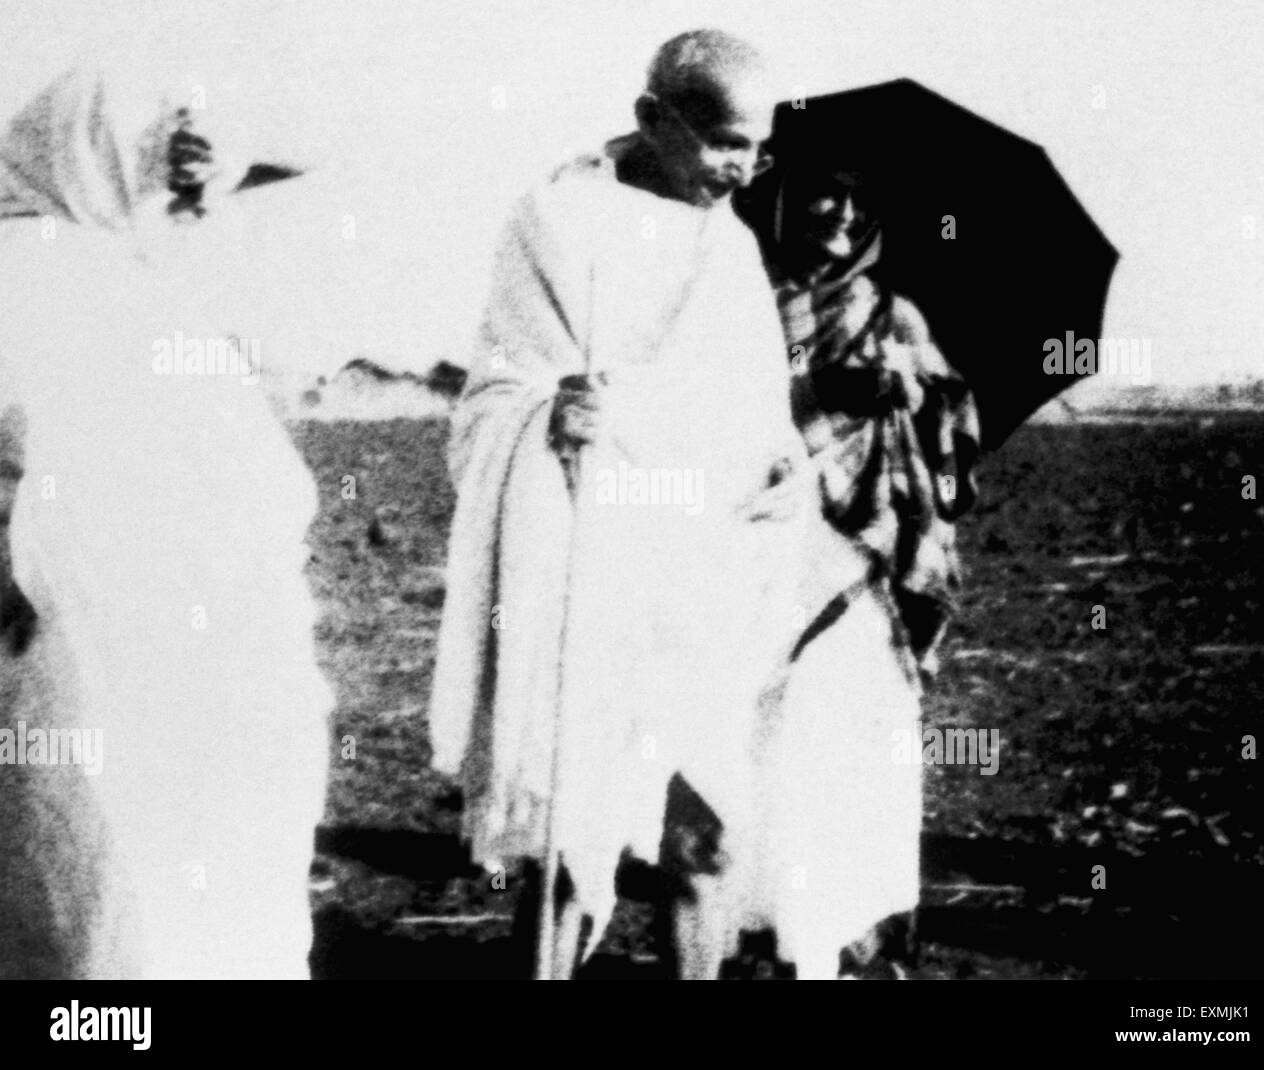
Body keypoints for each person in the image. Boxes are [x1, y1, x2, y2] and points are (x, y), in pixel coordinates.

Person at [428, 29, 817, 979]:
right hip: (586, 568)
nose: (743, 168)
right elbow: (488, 404)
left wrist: (785, 471)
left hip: (702, 585)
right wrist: (549, 414)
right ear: (653, 118)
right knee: (569, 847)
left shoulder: (730, 250)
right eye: (725, 141)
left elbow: (757, 418)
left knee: (704, 839)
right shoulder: (556, 222)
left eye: (757, 148)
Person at [0, 67, 333, 979]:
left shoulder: (127, 282)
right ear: (101, 163)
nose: (193, 207)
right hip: (73, 667)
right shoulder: (29, 275)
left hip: (178, 678)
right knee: (101, 917)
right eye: (174, 182)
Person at [742, 164, 981, 977]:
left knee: (856, 738)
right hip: (773, 547)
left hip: (869, 562)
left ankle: (851, 938)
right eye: (822, 191)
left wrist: (916, 394)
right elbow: (719, 409)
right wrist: (820, 390)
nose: (841, 211)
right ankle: (773, 933)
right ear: (780, 203)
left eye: (856, 196)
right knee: (772, 739)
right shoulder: (742, 301)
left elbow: (955, 422)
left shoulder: (893, 310)